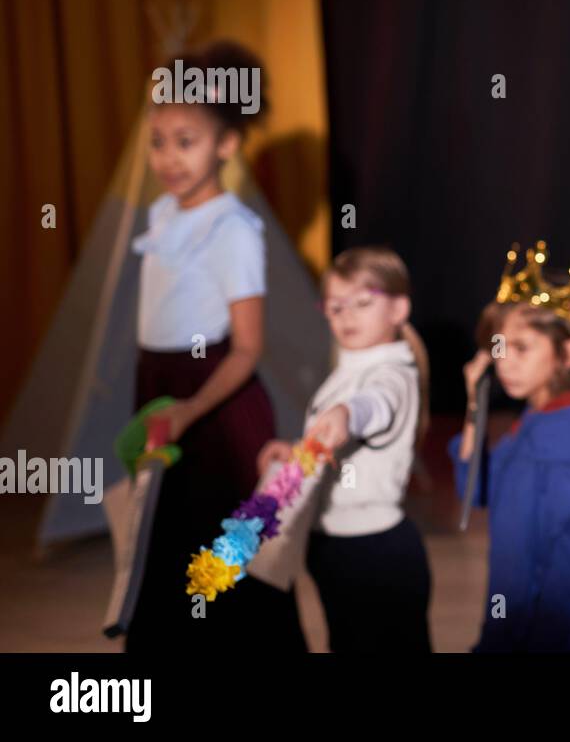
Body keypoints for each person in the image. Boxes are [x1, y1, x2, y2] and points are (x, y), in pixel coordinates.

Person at [126, 40, 304, 652]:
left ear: (226, 144)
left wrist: (189, 410)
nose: (168, 157)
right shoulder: (161, 216)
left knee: (225, 563)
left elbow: (246, 349)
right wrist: (160, 405)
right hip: (162, 395)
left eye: (186, 140)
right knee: (164, 549)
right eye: (158, 140)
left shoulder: (232, 230)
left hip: (217, 411)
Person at [450, 243, 570, 652]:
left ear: (569, 353)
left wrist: (500, 639)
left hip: (548, 632)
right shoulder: (549, 417)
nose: (505, 363)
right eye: (500, 348)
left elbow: (540, 570)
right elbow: (478, 490)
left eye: (522, 348)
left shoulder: (558, 445)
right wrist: (475, 403)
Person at [259, 246, 433, 652]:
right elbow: (330, 446)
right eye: (335, 306)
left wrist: (346, 414)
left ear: (399, 309)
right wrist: (295, 450)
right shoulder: (351, 366)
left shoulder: (392, 373)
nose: (346, 315)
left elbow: (375, 404)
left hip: (374, 553)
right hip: (333, 546)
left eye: (362, 303)